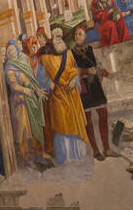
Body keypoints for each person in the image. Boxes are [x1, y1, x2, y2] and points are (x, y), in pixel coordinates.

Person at [36, 27, 92, 164]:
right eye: (56, 37)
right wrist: (49, 83)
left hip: (71, 95)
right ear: (52, 41)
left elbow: (74, 69)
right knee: (61, 124)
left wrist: (74, 80)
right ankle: (64, 157)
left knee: (73, 122)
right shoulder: (46, 59)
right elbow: (41, 77)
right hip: (57, 97)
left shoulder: (69, 54)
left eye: (60, 37)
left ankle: (78, 154)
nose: (59, 39)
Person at [4, 39, 52, 169]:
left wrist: (37, 90)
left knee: (35, 125)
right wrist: (25, 90)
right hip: (20, 102)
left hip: (31, 99)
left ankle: (39, 153)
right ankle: (26, 158)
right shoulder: (9, 67)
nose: (12, 52)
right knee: (23, 130)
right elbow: (14, 86)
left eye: (13, 49)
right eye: (9, 51)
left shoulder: (24, 60)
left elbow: (31, 78)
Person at [71, 25, 111, 160]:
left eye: (80, 34)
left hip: (95, 86)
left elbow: (97, 64)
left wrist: (106, 73)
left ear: (85, 36)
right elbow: (71, 72)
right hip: (84, 88)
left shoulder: (90, 49)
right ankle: (96, 151)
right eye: (76, 34)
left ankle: (107, 149)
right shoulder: (71, 53)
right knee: (88, 121)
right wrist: (86, 71)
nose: (77, 36)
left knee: (103, 115)